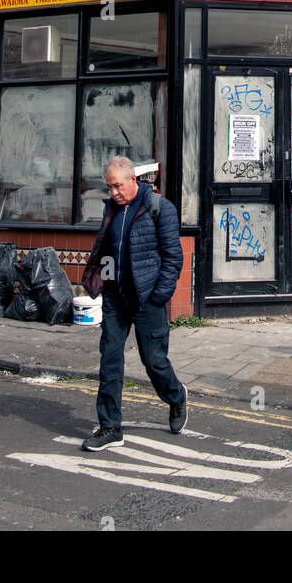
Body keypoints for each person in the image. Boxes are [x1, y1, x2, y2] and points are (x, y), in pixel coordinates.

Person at [81, 157, 187, 450]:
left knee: (153, 360)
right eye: (110, 186)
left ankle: (176, 396)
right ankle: (110, 427)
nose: (114, 192)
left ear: (133, 181)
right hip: (116, 297)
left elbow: (173, 257)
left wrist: (159, 296)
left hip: (147, 298)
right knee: (110, 359)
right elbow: (105, 247)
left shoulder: (159, 208)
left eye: (118, 185)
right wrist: (100, 279)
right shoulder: (111, 209)